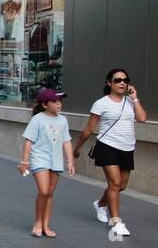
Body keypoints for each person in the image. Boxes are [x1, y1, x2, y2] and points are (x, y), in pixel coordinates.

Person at [73, 67, 147, 236]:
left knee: (121, 185)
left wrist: (135, 98)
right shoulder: (101, 103)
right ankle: (116, 222)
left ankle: (100, 204)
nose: (122, 83)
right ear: (109, 83)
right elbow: (89, 128)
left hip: (127, 147)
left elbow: (142, 118)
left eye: (125, 80)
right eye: (117, 80)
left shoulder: (130, 102)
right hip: (107, 146)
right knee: (114, 183)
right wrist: (77, 148)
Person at [18, 88, 75, 237]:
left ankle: (46, 225)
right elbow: (28, 141)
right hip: (40, 158)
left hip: (56, 160)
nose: (59, 104)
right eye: (54, 101)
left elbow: (67, 141)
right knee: (43, 191)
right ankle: (38, 222)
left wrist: (70, 161)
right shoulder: (37, 119)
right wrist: (25, 161)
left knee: (49, 193)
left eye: (60, 101)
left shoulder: (63, 120)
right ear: (44, 104)